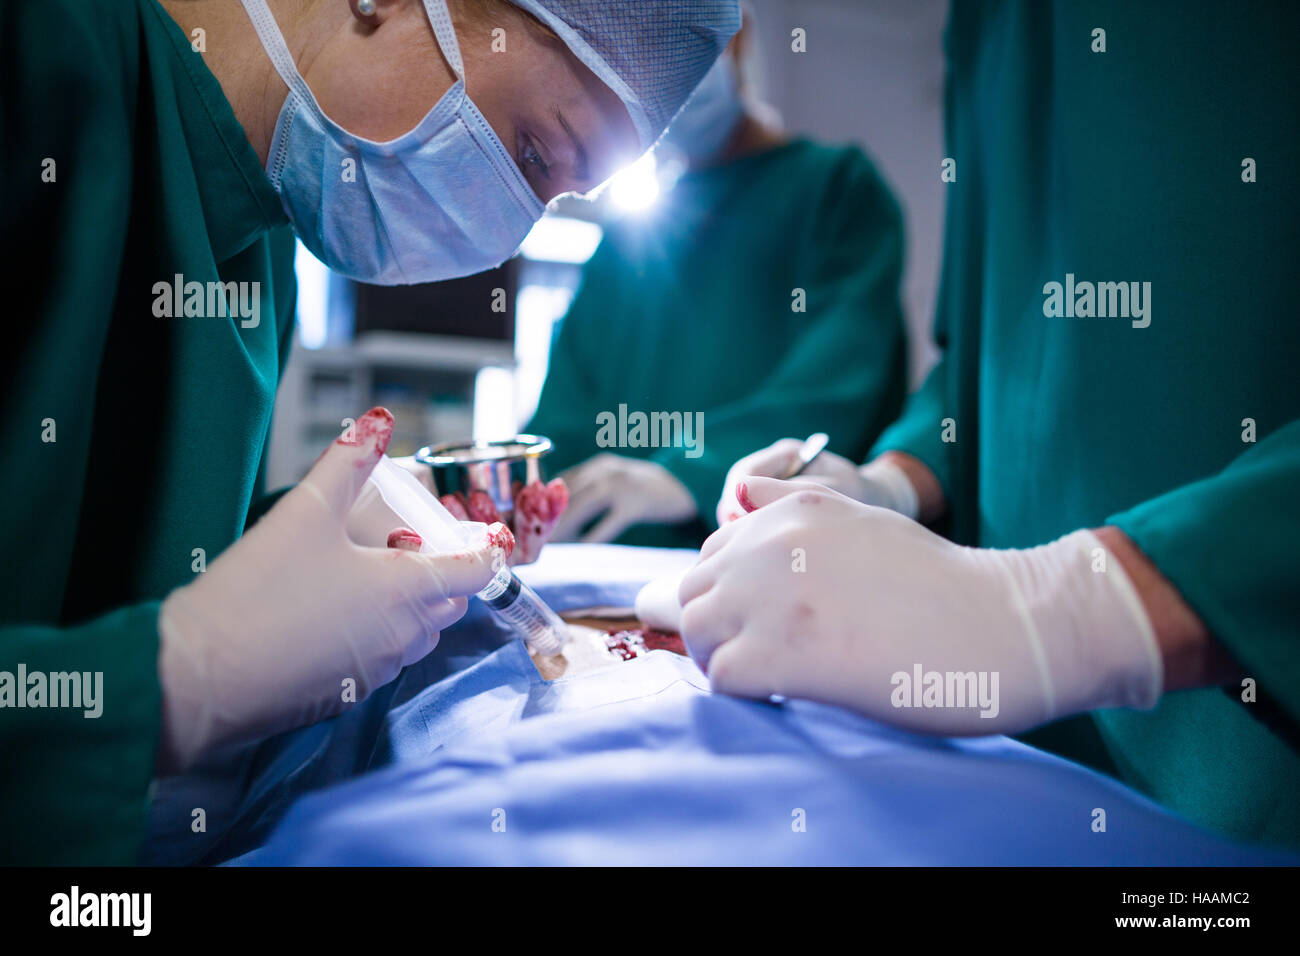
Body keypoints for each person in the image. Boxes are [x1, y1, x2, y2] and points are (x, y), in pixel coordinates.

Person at [0, 0, 739, 863]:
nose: (510, 232)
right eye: (534, 153)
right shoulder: (38, 54)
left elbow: (108, 559)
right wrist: (176, 683)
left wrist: (361, 521)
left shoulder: (251, 240)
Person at [690, 1, 1299, 849]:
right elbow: (982, 360)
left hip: (1246, 746)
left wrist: (1085, 609)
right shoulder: (989, 22)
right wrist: (889, 481)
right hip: (1027, 753)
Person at [528, 13, 907, 548]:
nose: (655, 84)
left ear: (735, 34)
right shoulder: (625, 243)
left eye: (667, 50)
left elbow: (837, 385)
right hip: (606, 581)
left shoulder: (836, 192)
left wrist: (689, 473)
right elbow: (560, 423)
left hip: (778, 563)